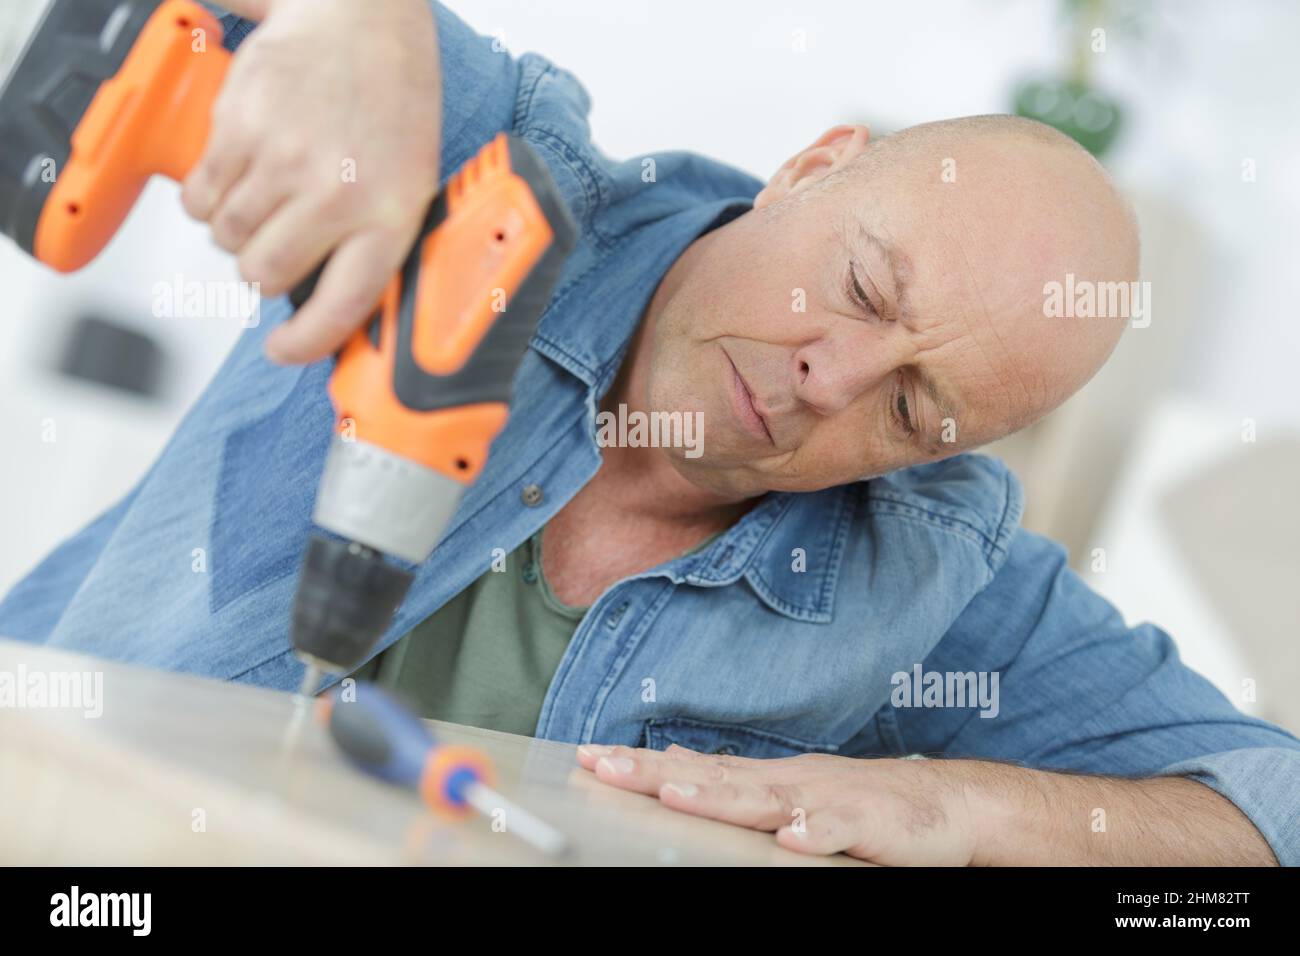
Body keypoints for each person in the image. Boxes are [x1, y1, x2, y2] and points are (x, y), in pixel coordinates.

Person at [1, 0, 1295, 865]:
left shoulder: (928, 569)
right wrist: (372, 26)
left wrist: (951, 798)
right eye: (858, 290)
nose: (827, 381)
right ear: (811, 167)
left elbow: (1265, 804)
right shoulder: (488, 176)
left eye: (911, 407)